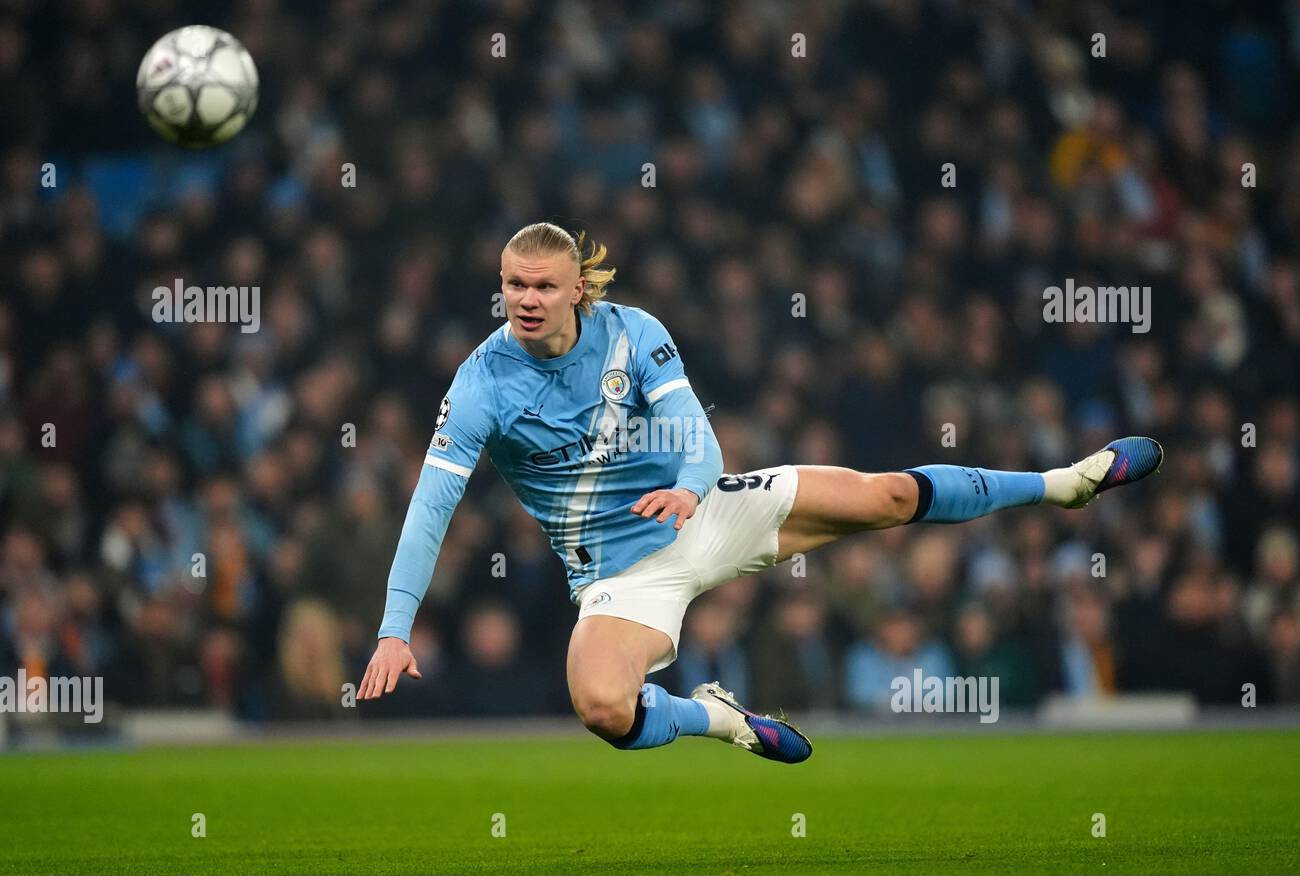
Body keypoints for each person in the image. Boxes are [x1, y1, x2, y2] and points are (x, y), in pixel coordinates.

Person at [357, 222, 1164, 764]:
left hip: (706, 508)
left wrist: (688, 487)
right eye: (511, 284)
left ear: (578, 290)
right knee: (602, 705)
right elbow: (430, 506)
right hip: (619, 573)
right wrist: (396, 629)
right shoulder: (480, 386)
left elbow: (696, 433)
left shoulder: (635, 332)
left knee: (882, 495)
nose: (524, 300)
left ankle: (1065, 483)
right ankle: (718, 715)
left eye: (541, 285)